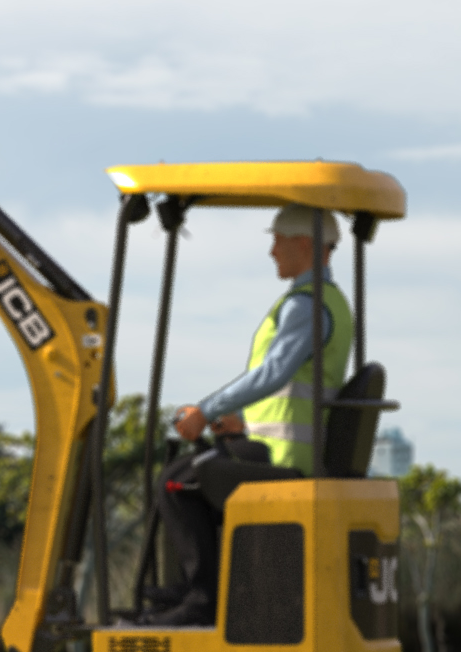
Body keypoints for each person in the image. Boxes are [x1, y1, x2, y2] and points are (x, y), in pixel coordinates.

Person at [138, 205, 354, 626]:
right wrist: (241, 423)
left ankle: (200, 600)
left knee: (175, 481)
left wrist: (207, 411)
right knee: (187, 474)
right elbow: (293, 391)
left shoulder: (304, 305)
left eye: (277, 240)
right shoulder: (332, 304)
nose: (272, 251)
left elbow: (274, 373)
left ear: (305, 245)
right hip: (285, 451)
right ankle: (195, 590)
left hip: (286, 462)